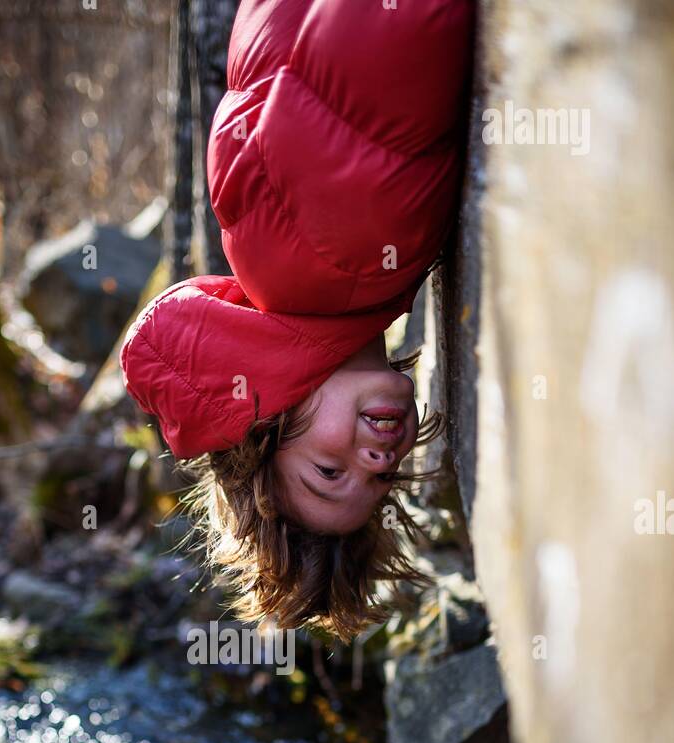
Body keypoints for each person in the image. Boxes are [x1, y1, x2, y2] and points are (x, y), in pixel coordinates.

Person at [122, 0, 476, 639]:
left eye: (330, 473)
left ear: (269, 421)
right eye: (381, 477)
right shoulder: (308, 276)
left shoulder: (342, 259)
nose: (376, 456)